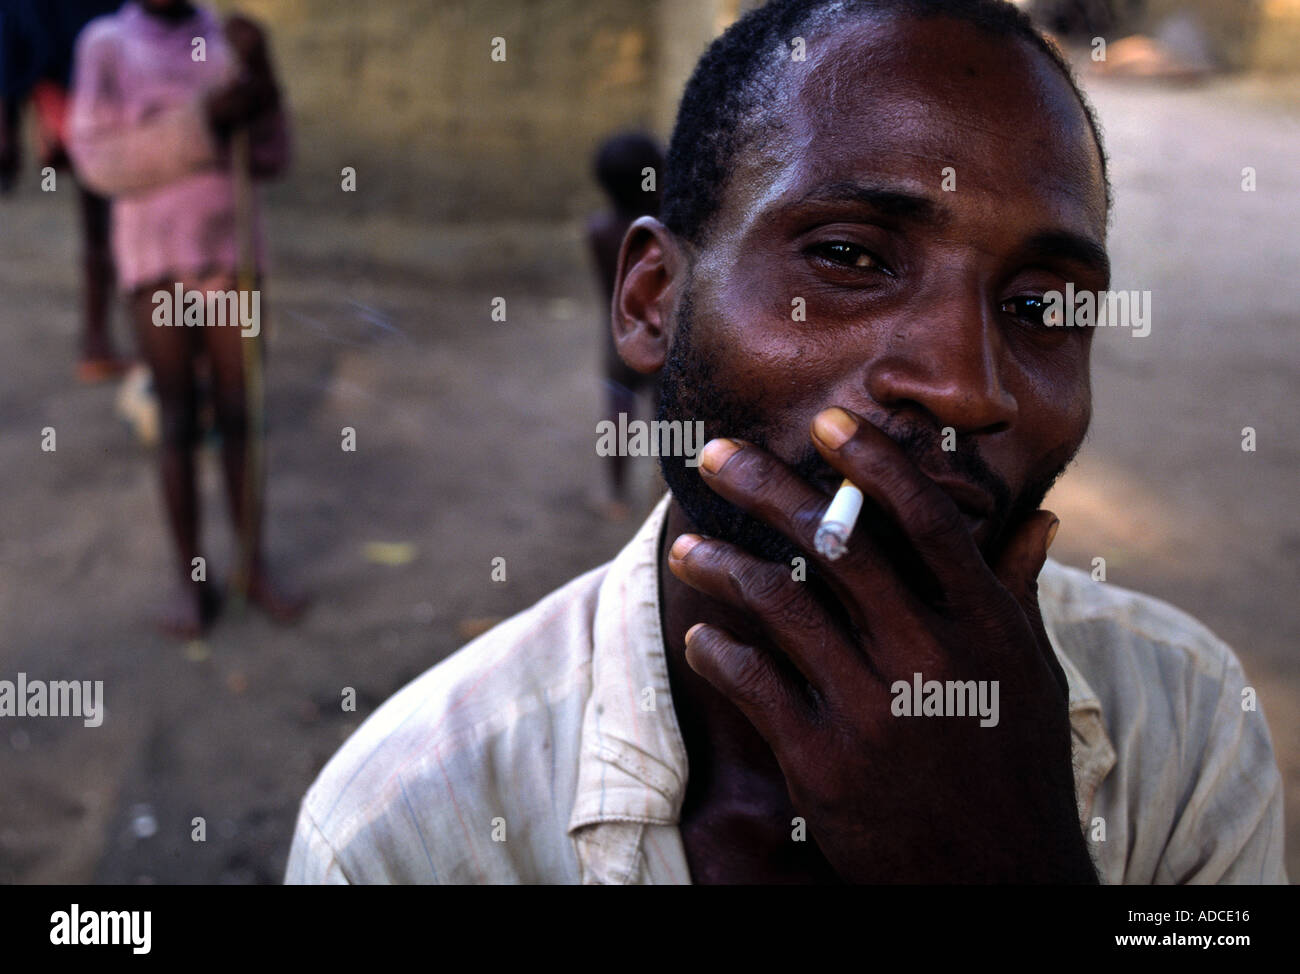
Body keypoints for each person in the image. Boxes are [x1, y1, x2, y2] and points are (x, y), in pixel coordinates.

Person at [286, 0, 1286, 884]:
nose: (964, 386)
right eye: (849, 257)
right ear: (650, 301)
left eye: (1036, 305)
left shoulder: (1185, 729)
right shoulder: (404, 831)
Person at [67, 0, 305, 636]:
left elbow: (274, 155)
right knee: (175, 419)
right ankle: (190, 582)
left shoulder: (230, 39)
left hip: (232, 258)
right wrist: (204, 121)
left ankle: (251, 565)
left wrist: (264, 78)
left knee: (241, 413)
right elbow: (95, 158)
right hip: (155, 265)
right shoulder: (107, 43)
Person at [0, 0, 127, 381]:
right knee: (102, 216)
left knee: (104, 216)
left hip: (89, 82)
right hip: (74, 80)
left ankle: (98, 341)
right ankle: (97, 341)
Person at [585, 132, 665, 520]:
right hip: (662, 336)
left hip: (618, 334)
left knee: (619, 412)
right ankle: (665, 494)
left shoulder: (599, 229)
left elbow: (609, 291)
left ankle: (615, 496)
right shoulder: (662, 232)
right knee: (667, 416)